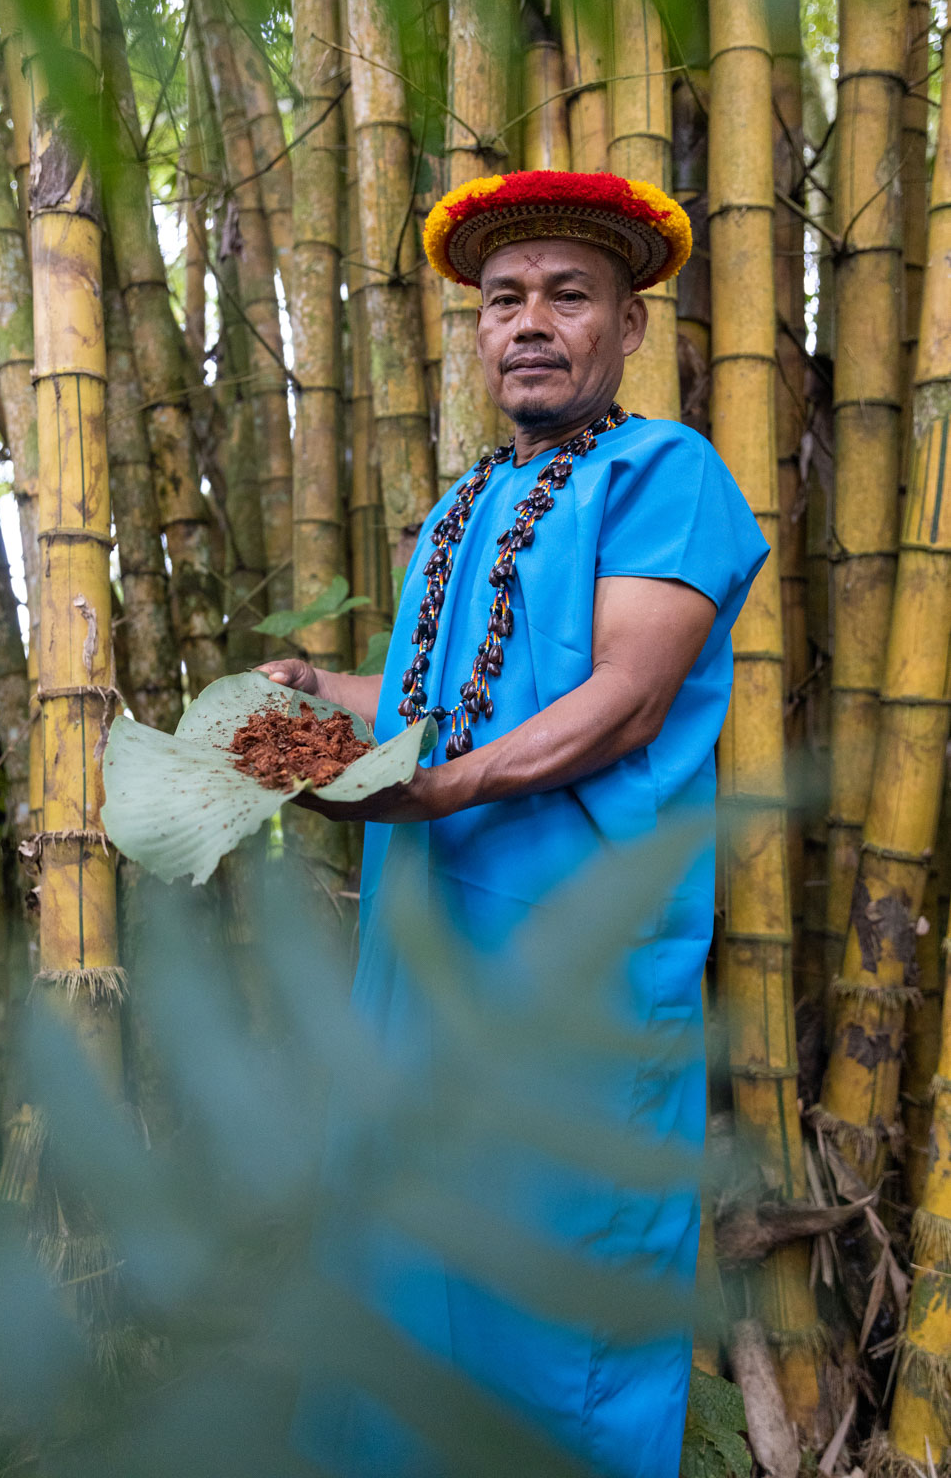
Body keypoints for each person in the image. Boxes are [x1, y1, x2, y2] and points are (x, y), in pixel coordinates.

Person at [262, 170, 768, 1477]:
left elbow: (623, 699)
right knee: (412, 1258)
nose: (529, 322)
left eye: (567, 295)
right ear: (477, 330)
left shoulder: (669, 472)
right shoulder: (458, 505)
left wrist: (438, 788)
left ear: (629, 325)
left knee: (560, 1280)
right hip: (425, 964)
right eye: (504, 300)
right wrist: (320, 694)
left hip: (573, 967)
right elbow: (441, 700)